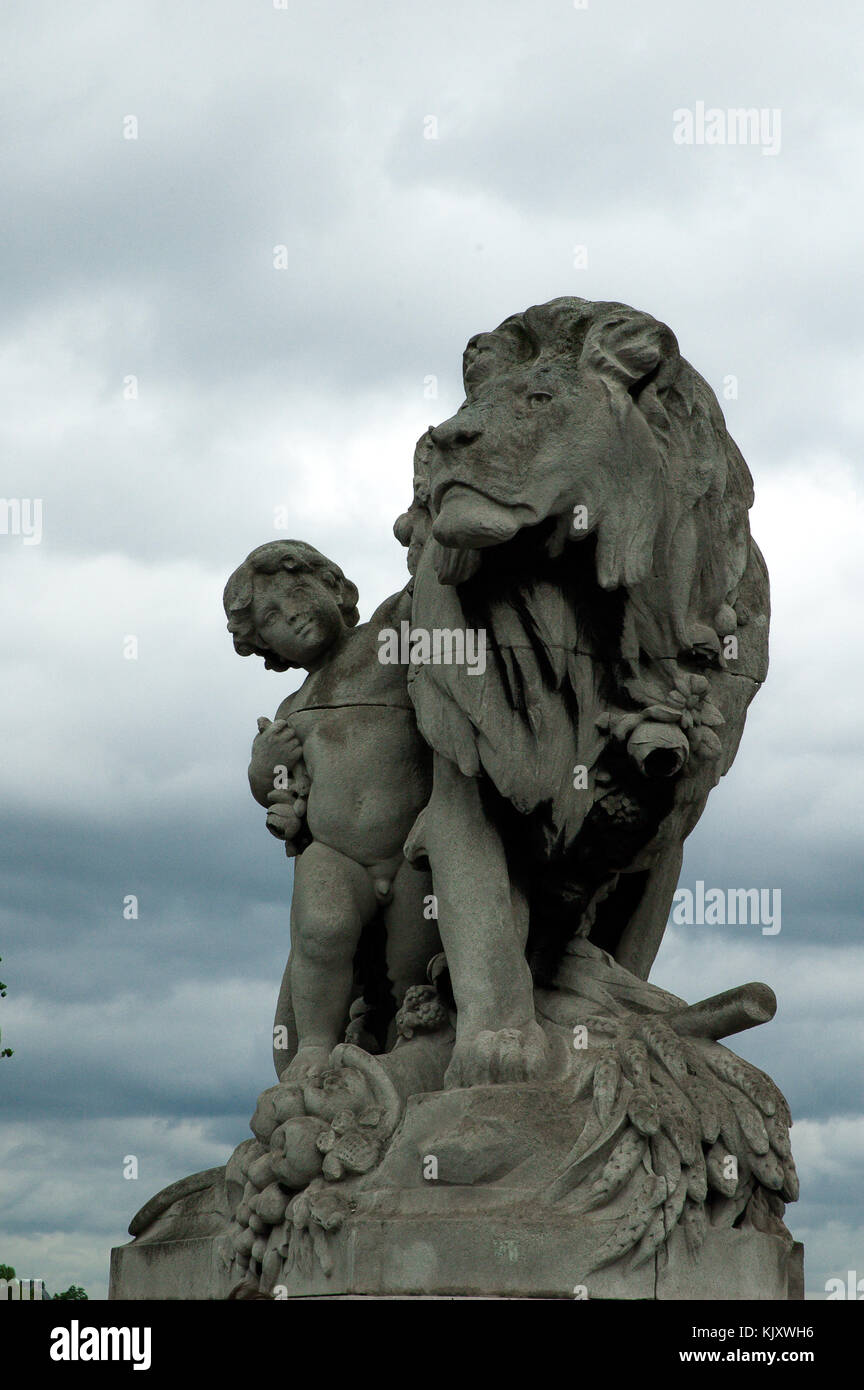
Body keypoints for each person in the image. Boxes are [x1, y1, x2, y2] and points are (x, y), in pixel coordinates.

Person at [224, 540, 438, 1081]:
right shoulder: (292, 708)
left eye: (293, 595)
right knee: (321, 932)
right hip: (336, 854)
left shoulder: (390, 637)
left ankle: (406, 1053)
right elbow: (282, 790)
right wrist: (264, 770)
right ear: (265, 648)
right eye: (269, 620)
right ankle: (315, 1046)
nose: (289, 617)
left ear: (333, 585)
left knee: (413, 964)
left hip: (415, 851)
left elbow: (433, 585)